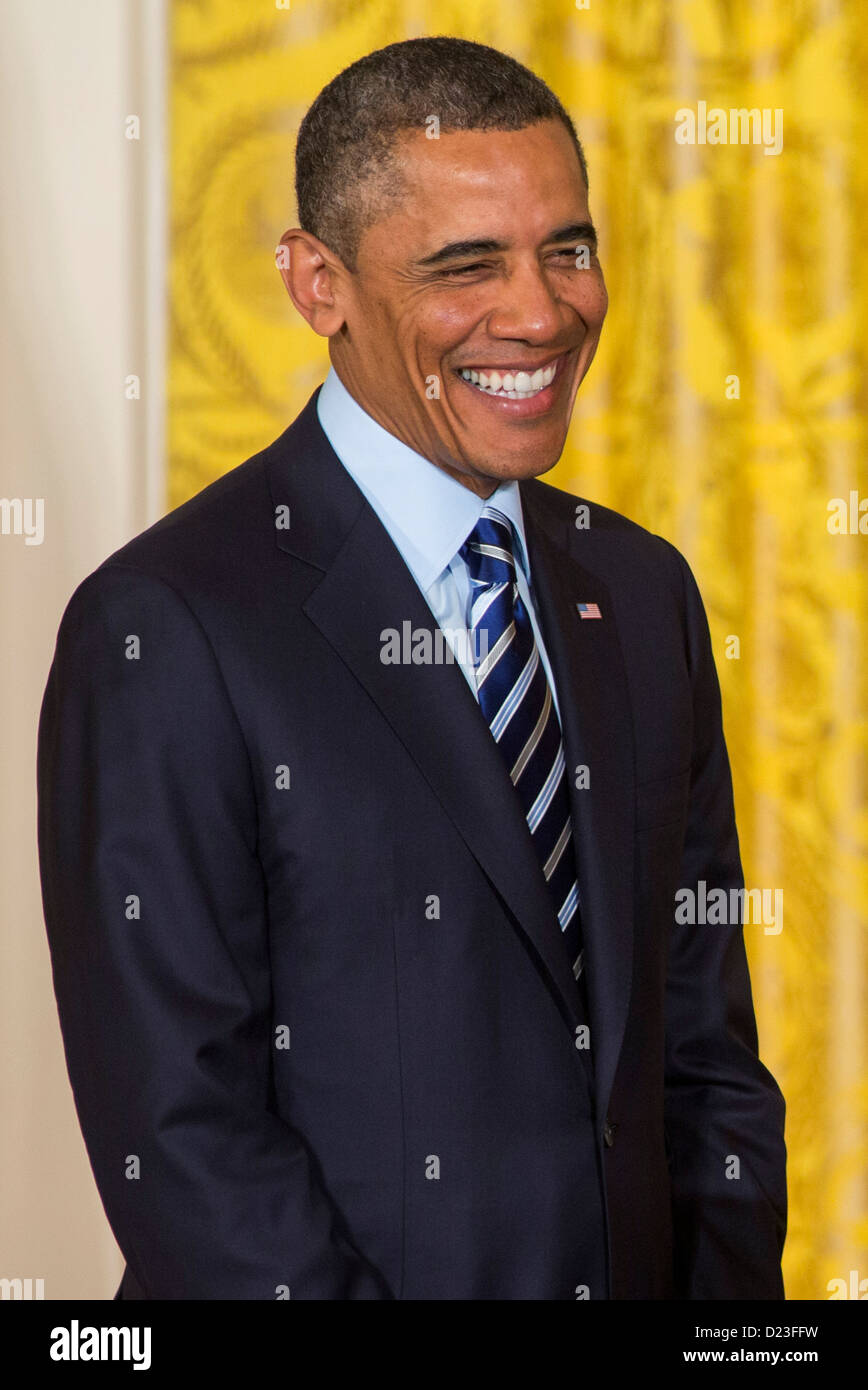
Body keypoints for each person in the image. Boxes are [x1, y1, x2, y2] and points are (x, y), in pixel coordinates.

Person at [37, 35, 786, 1300]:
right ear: (315, 282)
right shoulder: (164, 625)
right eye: (466, 266)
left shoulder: (640, 589)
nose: (542, 314)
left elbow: (705, 1057)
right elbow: (185, 1137)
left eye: (567, 246)